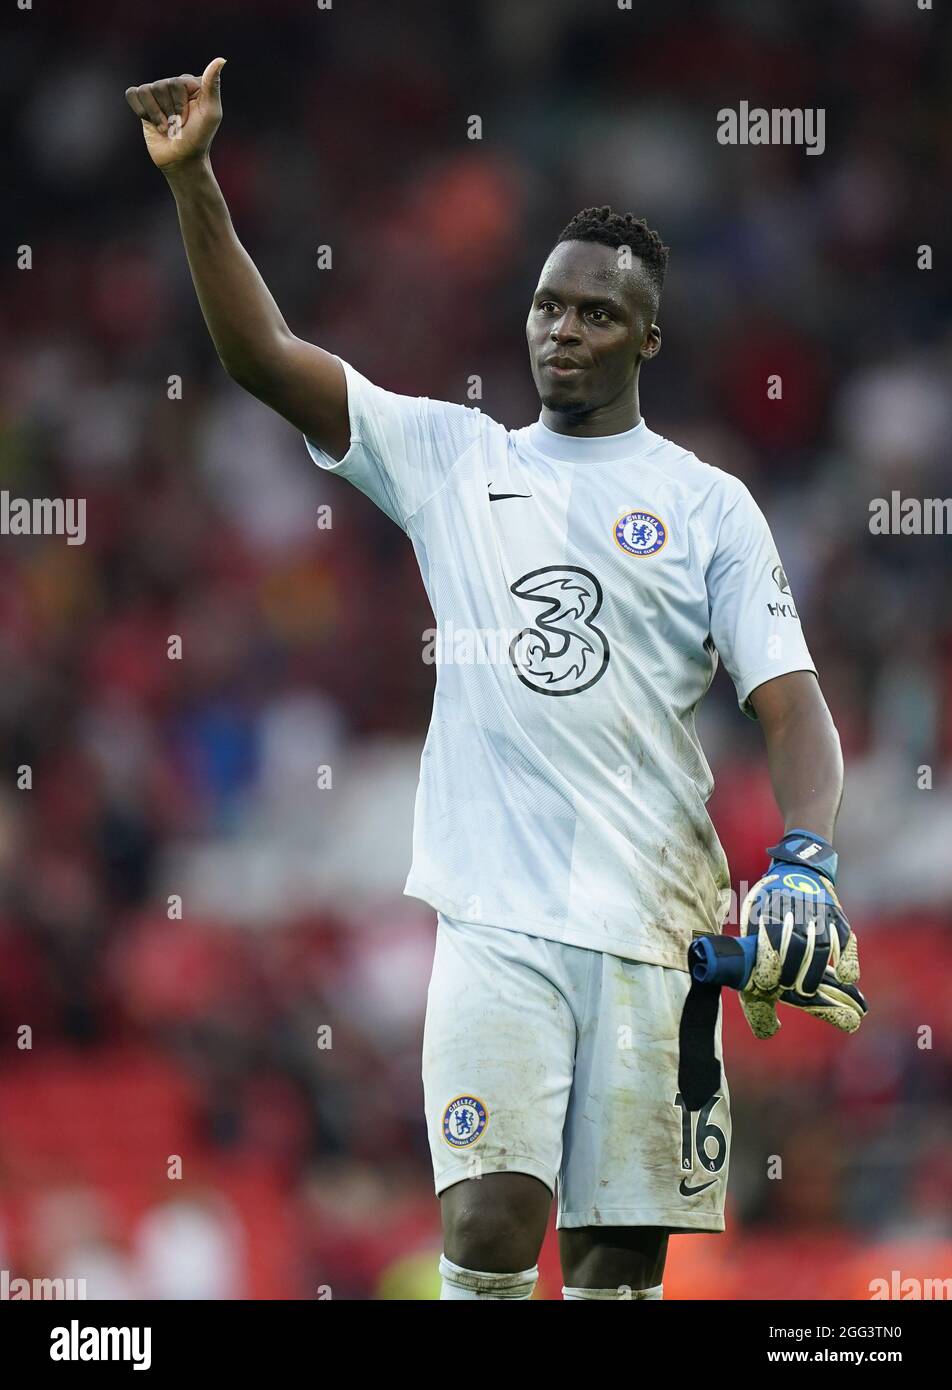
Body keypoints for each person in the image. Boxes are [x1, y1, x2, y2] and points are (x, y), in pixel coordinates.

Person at [126, 59, 865, 1301]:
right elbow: (261, 352)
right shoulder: (451, 459)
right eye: (545, 306)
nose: (560, 330)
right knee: (482, 1233)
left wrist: (805, 856)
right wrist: (195, 177)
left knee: (615, 1269)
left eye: (591, 313)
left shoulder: (706, 504)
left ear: (646, 335)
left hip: (656, 933)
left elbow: (792, 707)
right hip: (494, 925)